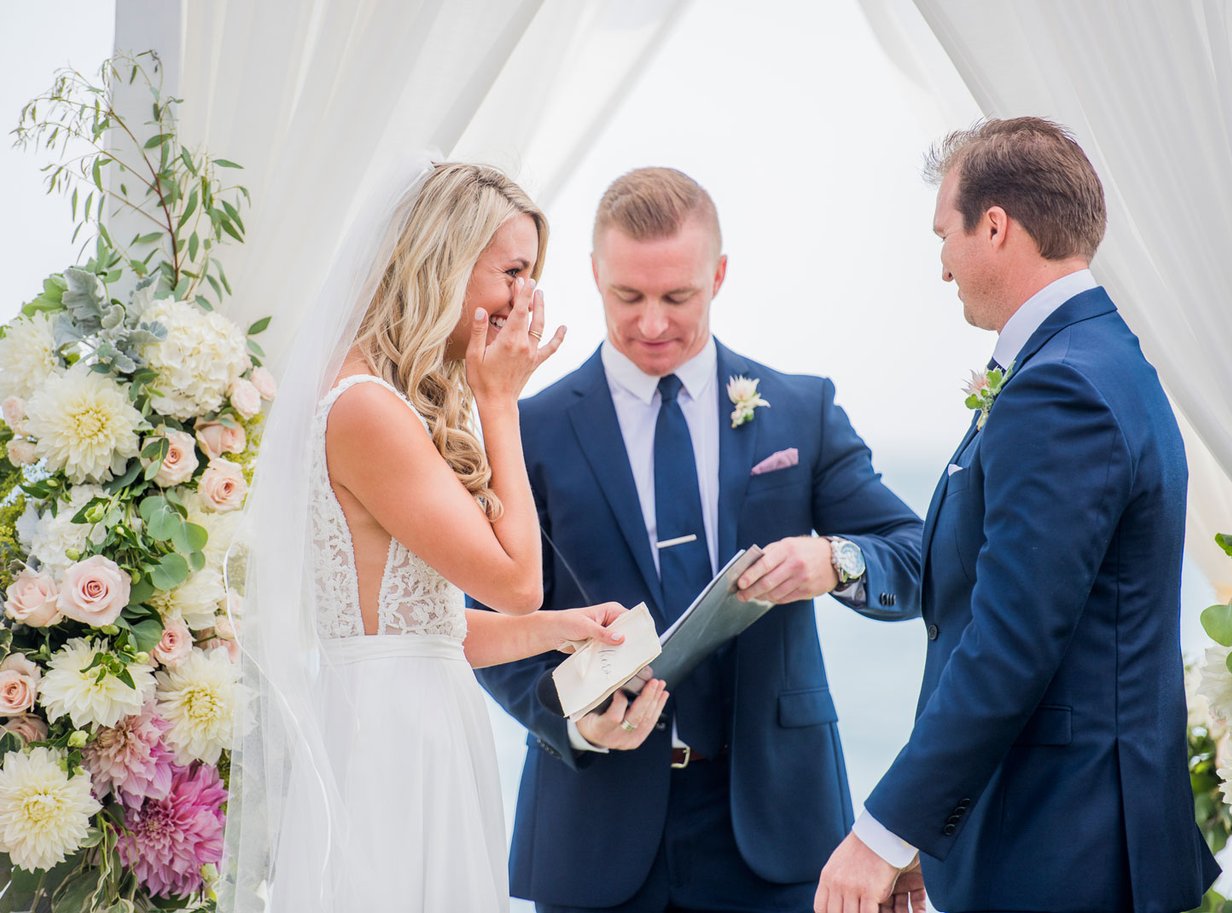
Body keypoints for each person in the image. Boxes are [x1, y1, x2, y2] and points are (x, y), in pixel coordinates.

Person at [476, 167, 924, 913]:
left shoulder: (800, 410)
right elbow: (484, 619)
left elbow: (913, 551)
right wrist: (575, 720)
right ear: (594, 275)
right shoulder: (530, 429)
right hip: (595, 826)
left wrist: (834, 560)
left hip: (774, 825)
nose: (653, 323)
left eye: (678, 297)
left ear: (718, 274)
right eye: (629, 297)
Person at [815, 117, 1220, 913]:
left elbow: (1010, 642)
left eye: (945, 234)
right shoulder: (1101, 358)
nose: (941, 266)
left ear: (995, 226)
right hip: (1070, 834)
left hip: (1065, 849)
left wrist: (884, 831)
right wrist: (937, 833)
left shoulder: (1060, 388)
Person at [223, 163, 628, 913]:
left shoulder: (379, 399)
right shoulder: (367, 408)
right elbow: (516, 580)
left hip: (408, 713)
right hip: (393, 741)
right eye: (513, 271)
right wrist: (500, 403)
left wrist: (556, 630)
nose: (524, 301)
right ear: (445, 257)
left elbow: (419, 628)